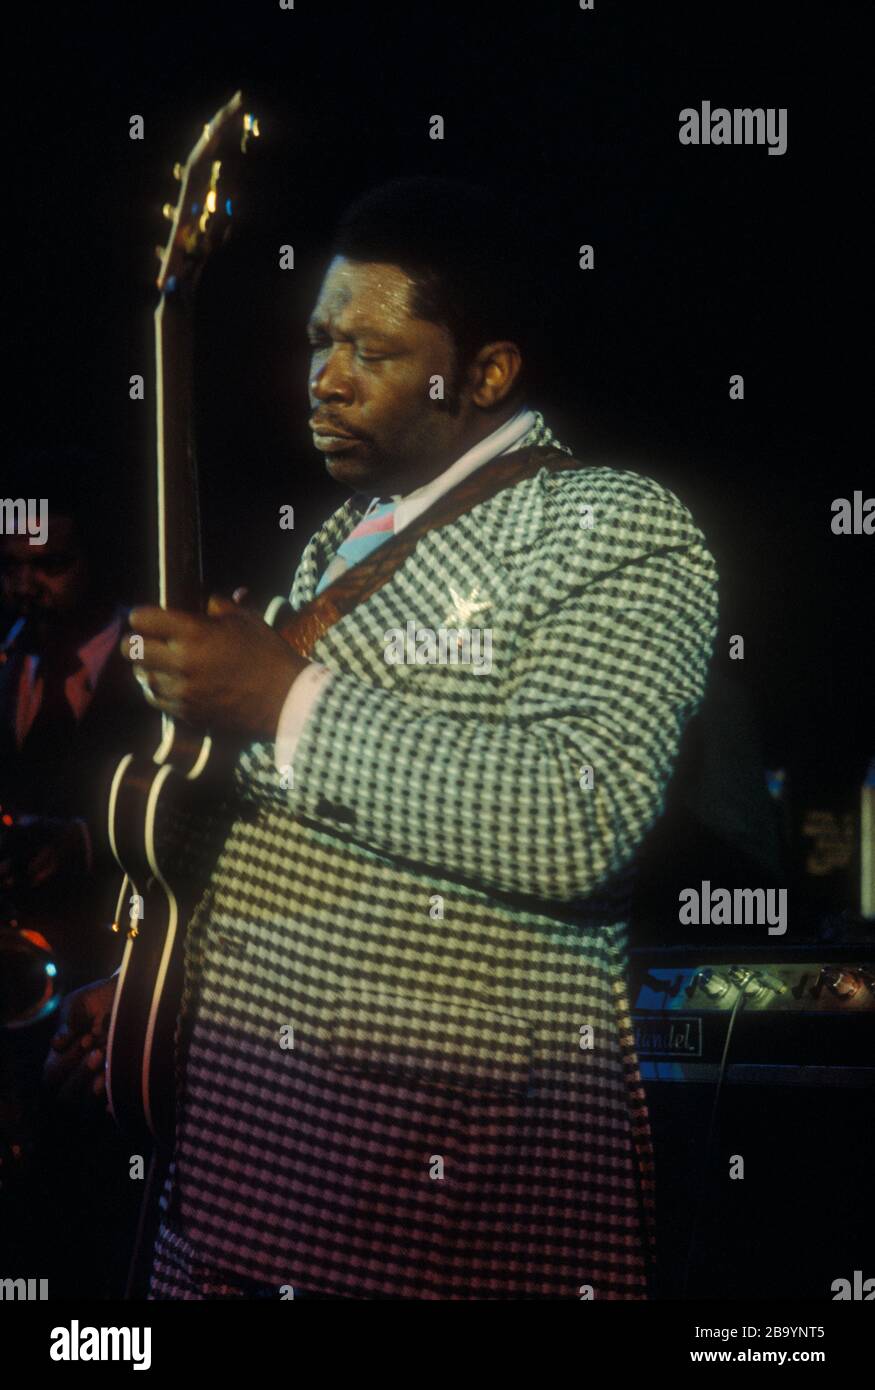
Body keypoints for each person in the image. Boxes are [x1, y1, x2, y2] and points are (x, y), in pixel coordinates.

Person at [45, 178, 718, 1300]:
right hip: (232, 1197)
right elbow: (289, 834)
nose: (326, 377)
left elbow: (578, 813)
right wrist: (165, 988)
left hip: (439, 1218)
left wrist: (284, 701)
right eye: (319, 340)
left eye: (372, 348)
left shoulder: (614, 523)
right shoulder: (341, 540)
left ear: (484, 374)